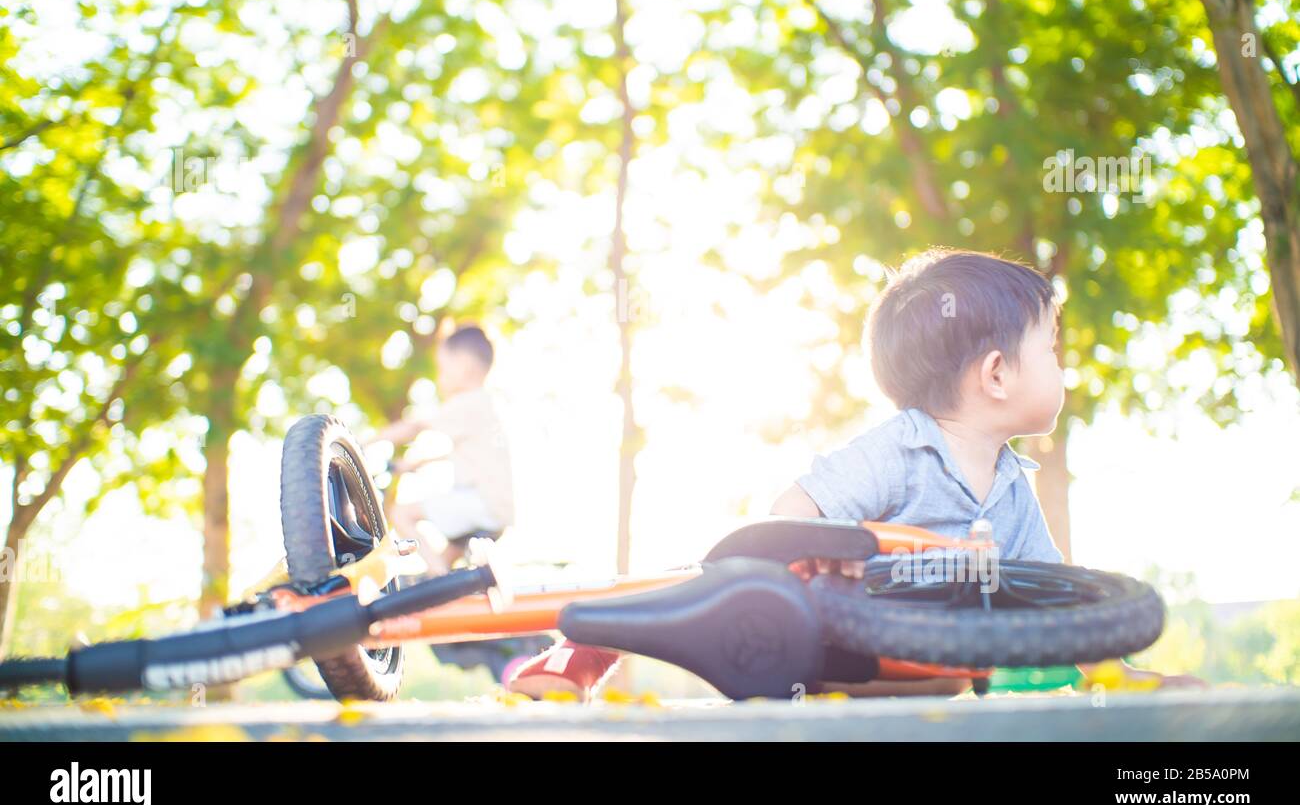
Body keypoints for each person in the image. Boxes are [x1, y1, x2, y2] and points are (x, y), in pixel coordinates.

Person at [508, 248, 1206, 700]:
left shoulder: (1015, 490)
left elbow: (1062, 613)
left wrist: (1127, 679)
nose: (1062, 367)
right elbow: (787, 515)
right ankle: (580, 649)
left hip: (928, 681)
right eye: (1050, 348)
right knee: (692, 583)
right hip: (833, 652)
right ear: (997, 373)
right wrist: (822, 563)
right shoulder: (901, 449)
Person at [372, 325, 515, 575]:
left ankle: (439, 578)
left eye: (442, 370)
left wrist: (365, 441)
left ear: (463, 366)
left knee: (401, 513)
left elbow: (414, 426)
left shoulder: (467, 403)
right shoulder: (485, 405)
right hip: (495, 509)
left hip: (481, 504)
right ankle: (442, 586)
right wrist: (414, 465)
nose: (439, 378)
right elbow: (458, 454)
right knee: (443, 562)